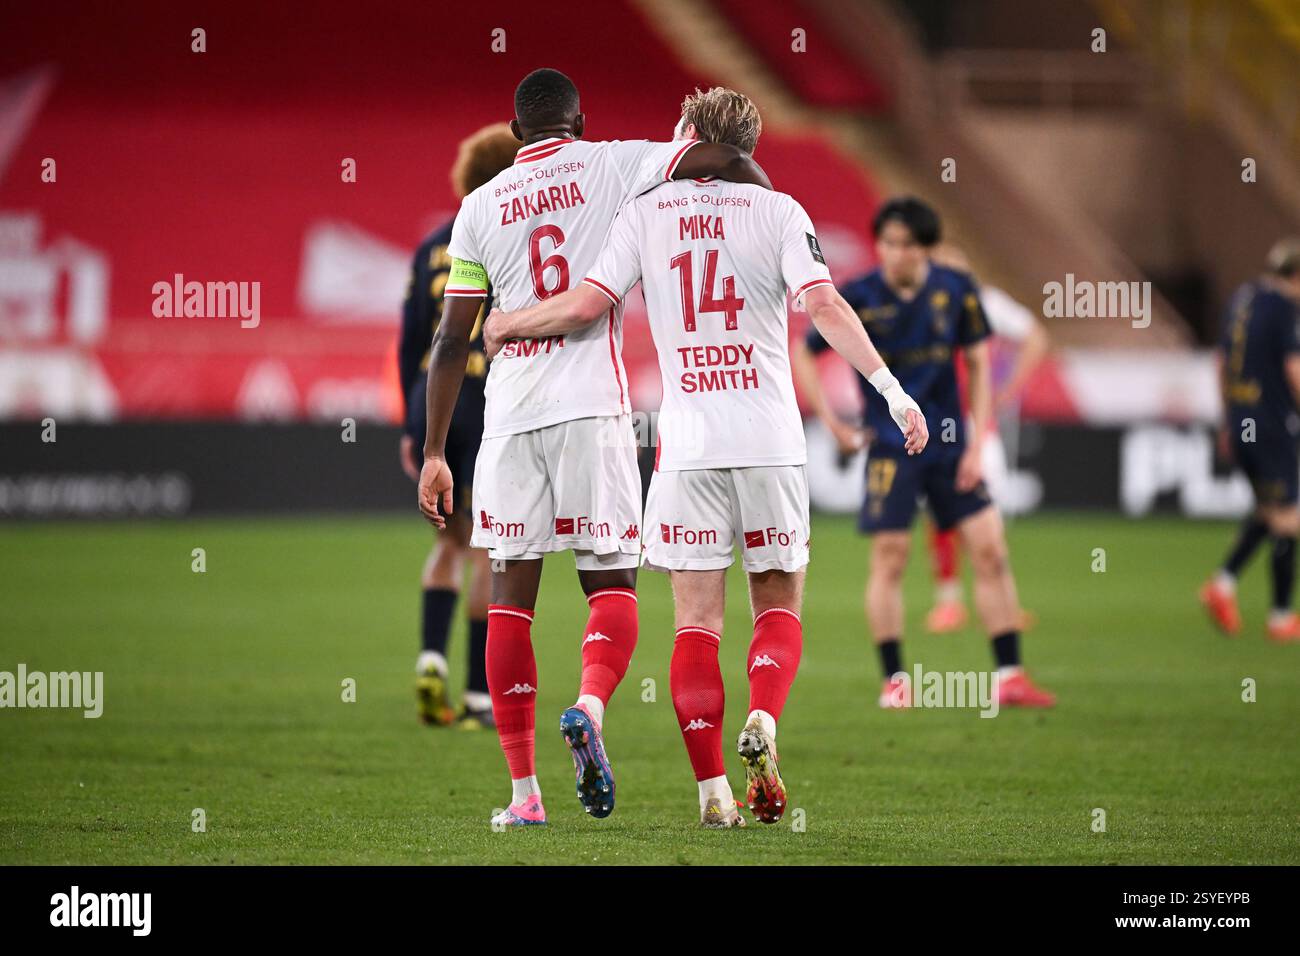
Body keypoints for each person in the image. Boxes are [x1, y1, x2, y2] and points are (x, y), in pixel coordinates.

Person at [484, 87, 925, 827]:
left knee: (695, 628)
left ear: (689, 136)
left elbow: (586, 307)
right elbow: (823, 306)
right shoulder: (780, 211)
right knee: (777, 606)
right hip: (769, 443)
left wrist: (507, 322)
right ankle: (766, 722)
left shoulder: (644, 213)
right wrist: (891, 391)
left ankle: (712, 794)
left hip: (686, 451)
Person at [418, 68, 774, 827]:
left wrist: (435, 453)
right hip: (593, 411)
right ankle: (589, 706)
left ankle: (524, 796)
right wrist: (758, 202)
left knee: (510, 601)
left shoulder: (477, 208)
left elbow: (452, 339)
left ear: (516, 134)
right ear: (579, 123)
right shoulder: (613, 161)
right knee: (610, 586)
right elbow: (716, 156)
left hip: (510, 418)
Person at [793, 197, 1055, 709]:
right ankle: (894, 682)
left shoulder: (957, 291)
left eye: (906, 244)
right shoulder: (860, 295)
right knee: (890, 559)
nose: (894, 253)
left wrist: (979, 442)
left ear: (927, 248)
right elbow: (805, 350)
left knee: (991, 550)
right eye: (887, 243)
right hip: (891, 449)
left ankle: (1011, 675)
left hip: (953, 446)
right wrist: (831, 422)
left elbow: (978, 362)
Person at [399, 123, 518, 729]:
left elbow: (412, 340)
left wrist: (411, 429)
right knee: (484, 547)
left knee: (445, 541)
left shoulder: (429, 248)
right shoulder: (506, 236)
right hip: (484, 394)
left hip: (433, 400)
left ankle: (429, 658)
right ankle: (477, 696)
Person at [1200, 237, 1300, 642]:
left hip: (1241, 418)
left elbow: (1221, 362)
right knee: (1289, 519)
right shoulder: (1285, 308)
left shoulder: (1241, 300)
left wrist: (1227, 419)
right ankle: (1280, 618)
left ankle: (1222, 585)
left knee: (1268, 510)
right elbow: (1295, 370)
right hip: (1272, 423)